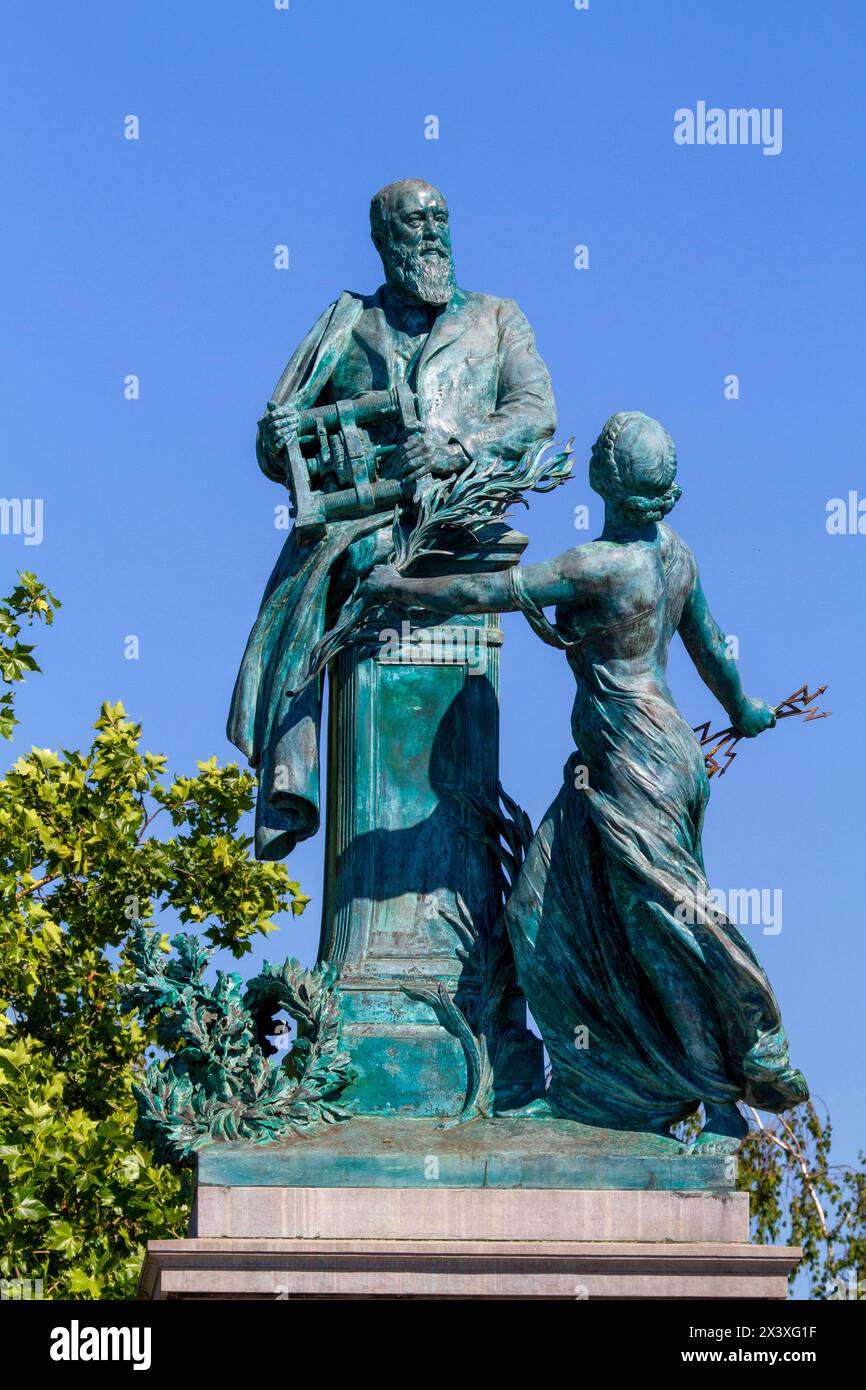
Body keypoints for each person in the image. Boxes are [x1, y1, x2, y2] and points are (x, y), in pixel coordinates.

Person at [358, 411, 808, 1152]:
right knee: (543, 911)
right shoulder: (675, 557)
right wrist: (746, 707)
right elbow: (712, 646)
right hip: (641, 760)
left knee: (660, 925)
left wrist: (402, 585)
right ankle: (591, 1089)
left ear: (604, 482)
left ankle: (721, 1096)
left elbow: (490, 594)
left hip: (637, 761)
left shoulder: (600, 566)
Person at [227, 178, 555, 860]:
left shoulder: (497, 318)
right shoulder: (346, 326)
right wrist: (276, 433)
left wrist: (458, 446)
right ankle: (296, 774)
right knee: (330, 573)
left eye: (441, 218)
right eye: (414, 223)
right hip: (363, 542)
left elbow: (533, 413)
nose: (433, 232)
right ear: (382, 240)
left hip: (462, 541)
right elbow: (275, 449)